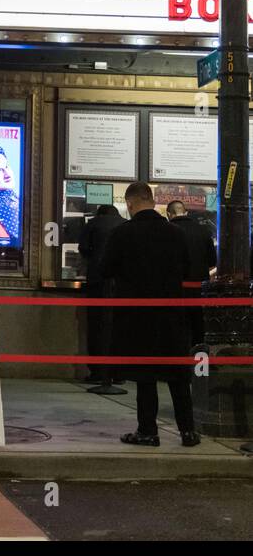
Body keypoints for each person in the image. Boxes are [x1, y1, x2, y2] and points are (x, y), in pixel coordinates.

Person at [100, 183, 200, 448]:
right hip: (171, 313)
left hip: (136, 315)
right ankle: (188, 431)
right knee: (177, 375)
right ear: (152, 200)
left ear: (131, 204)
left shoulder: (122, 233)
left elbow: (105, 269)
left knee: (146, 376)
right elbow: (188, 270)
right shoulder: (176, 233)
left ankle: (148, 431)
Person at [78, 203, 127, 393]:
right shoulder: (125, 224)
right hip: (121, 283)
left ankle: (98, 372)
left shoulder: (93, 224)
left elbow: (83, 249)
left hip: (97, 281)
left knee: (97, 325)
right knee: (119, 326)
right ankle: (119, 373)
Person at [167, 200, 215, 348]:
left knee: (176, 325)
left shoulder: (167, 231)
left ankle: (178, 359)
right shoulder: (203, 231)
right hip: (198, 288)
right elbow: (212, 260)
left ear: (169, 214)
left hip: (174, 288)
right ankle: (199, 359)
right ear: (186, 212)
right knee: (197, 325)